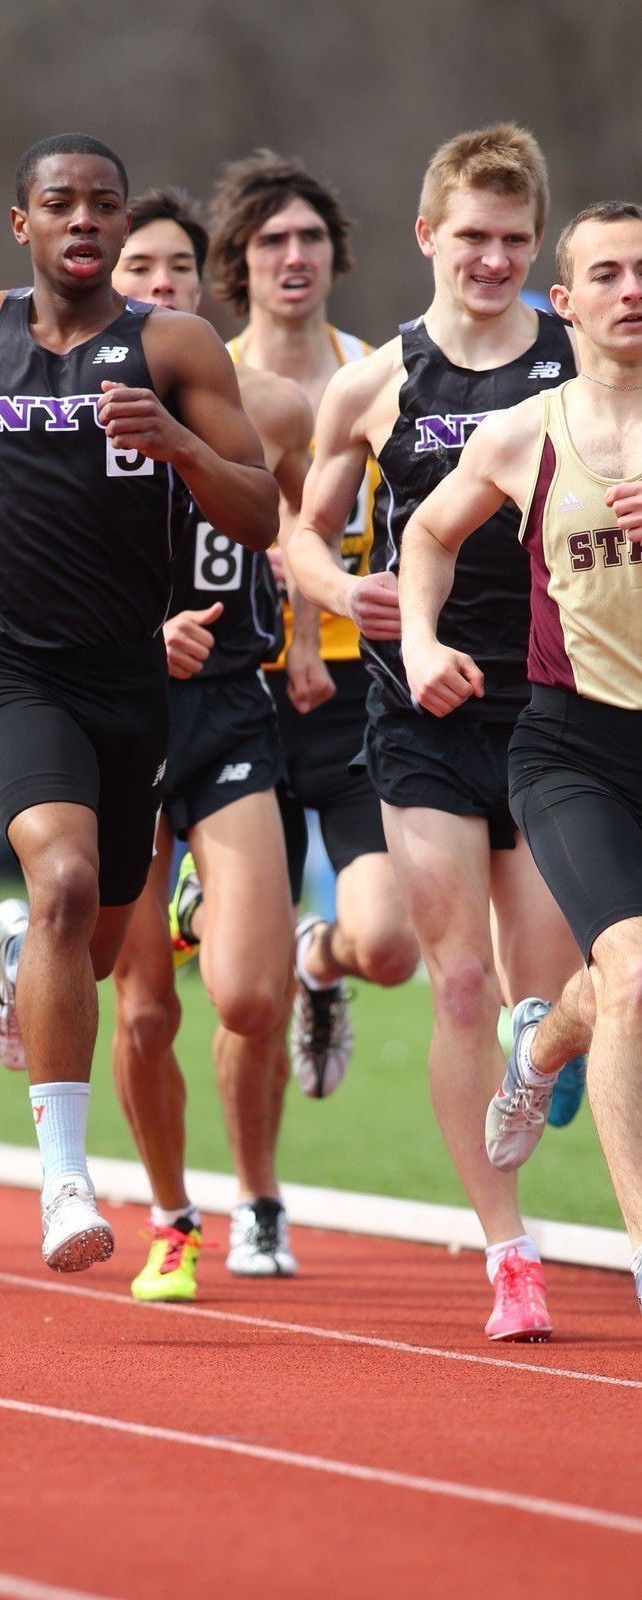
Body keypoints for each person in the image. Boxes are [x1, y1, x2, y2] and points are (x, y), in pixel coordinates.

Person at [0, 133, 279, 1274]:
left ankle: (27, 953)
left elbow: (259, 512)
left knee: (96, 944)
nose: (85, 222)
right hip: (13, 667)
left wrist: (177, 444)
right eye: (60, 203)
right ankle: (65, 1180)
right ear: (22, 223)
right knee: (60, 879)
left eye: (104, 205)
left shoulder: (173, 345)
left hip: (131, 677)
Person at [287, 123, 582, 1342]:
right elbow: (300, 532)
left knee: (544, 1000)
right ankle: (507, 1253)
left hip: (558, 707)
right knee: (457, 979)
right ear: (426, 235)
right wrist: (337, 592)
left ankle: (543, 1056)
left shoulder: (578, 362)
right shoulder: (374, 383)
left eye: (512, 239)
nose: (491, 259)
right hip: (420, 705)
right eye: (470, 236)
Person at [397, 199, 642, 1319]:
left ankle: (538, 1048)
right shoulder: (518, 432)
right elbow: (425, 532)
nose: (631, 289)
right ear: (565, 300)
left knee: (611, 986)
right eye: (608, 273)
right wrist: (416, 637)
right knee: (632, 974)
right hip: (571, 744)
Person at [106, 189, 311, 1298]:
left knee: (247, 997)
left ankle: (259, 1194)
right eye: (138, 267)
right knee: (144, 1010)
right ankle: (172, 1217)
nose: (160, 284)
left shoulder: (267, 404)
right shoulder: (65, 409)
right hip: (119, 710)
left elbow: (299, 522)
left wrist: (307, 631)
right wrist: (141, 634)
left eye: (177, 267)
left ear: (204, 280)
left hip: (231, 704)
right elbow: (24, 568)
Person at [199, 149, 420, 1097]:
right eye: (271, 240)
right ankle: (254, 1184)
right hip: (234, 688)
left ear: (335, 253)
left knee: (389, 944)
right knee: (237, 994)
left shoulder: (378, 375)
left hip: (358, 683)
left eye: (311, 237)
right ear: (237, 262)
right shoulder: (205, 379)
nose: (294, 256)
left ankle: (317, 957)